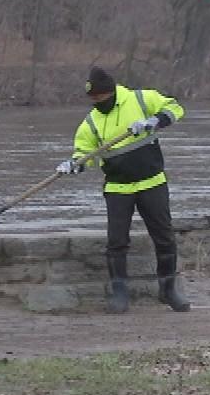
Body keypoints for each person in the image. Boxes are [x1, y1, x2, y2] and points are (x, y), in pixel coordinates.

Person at [57, 66, 190, 313]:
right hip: (118, 188)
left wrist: (154, 121)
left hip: (153, 182)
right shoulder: (91, 123)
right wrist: (73, 165)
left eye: (101, 98)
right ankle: (119, 293)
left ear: (112, 92)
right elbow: (85, 154)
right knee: (116, 242)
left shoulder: (141, 99)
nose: (98, 103)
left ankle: (169, 290)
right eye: (93, 100)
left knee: (164, 237)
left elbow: (175, 108)